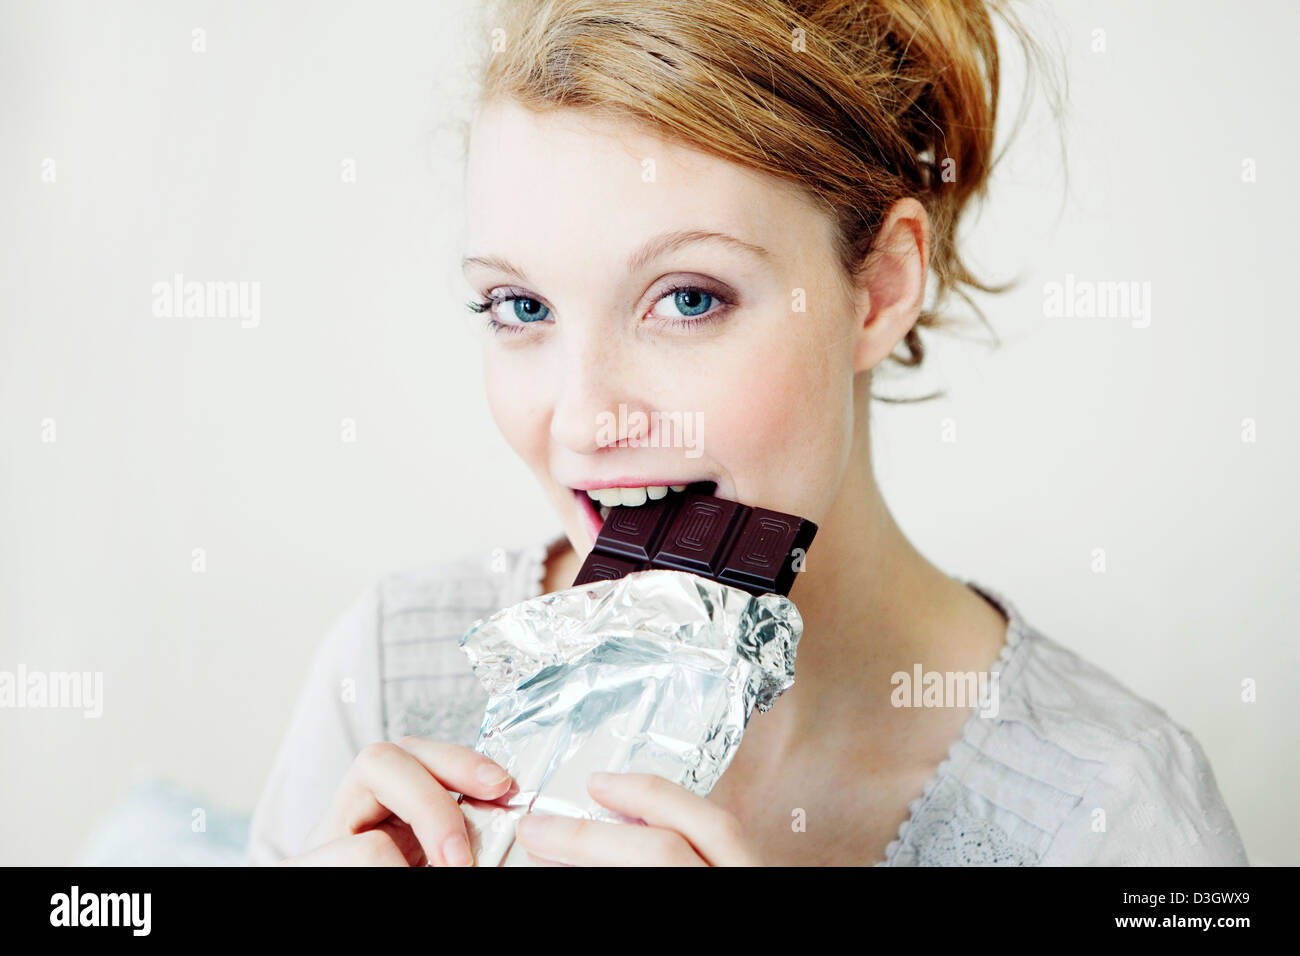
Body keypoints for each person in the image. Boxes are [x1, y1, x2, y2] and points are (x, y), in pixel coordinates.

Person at [246, 0, 1248, 866]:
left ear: (878, 289)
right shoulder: (383, 680)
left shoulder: (1108, 805)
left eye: (686, 297)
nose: (587, 419)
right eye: (520, 306)